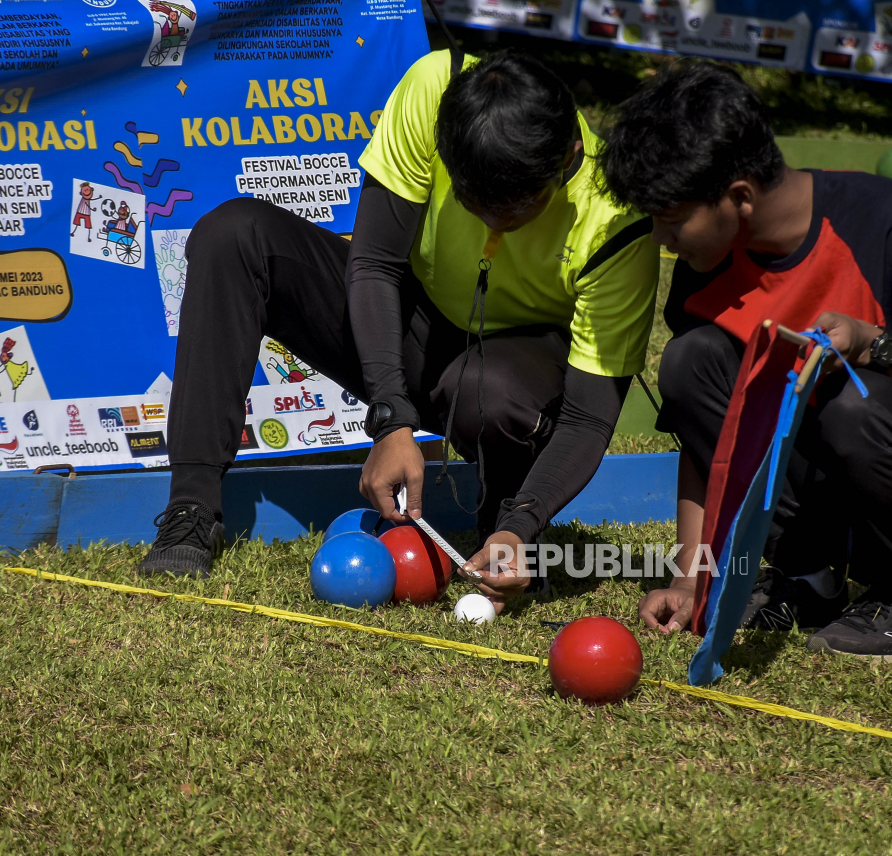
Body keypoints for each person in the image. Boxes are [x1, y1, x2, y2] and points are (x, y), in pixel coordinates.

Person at [139, 49, 659, 612]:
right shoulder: (435, 84)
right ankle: (191, 509)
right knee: (232, 236)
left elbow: (587, 417)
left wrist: (525, 523)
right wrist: (391, 418)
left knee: (496, 390)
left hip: (509, 376)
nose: (490, 224)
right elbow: (374, 264)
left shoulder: (618, 217)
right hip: (412, 330)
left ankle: (503, 533)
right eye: (470, 200)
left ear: (568, 158)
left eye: (512, 211)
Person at [599, 61, 892, 661]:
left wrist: (874, 344)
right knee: (691, 363)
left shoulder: (890, 225)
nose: (662, 239)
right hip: (853, 506)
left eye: (670, 219)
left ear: (738, 197)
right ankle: (809, 577)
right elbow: (707, 441)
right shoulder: (705, 266)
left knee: (852, 400)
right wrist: (693, 577)